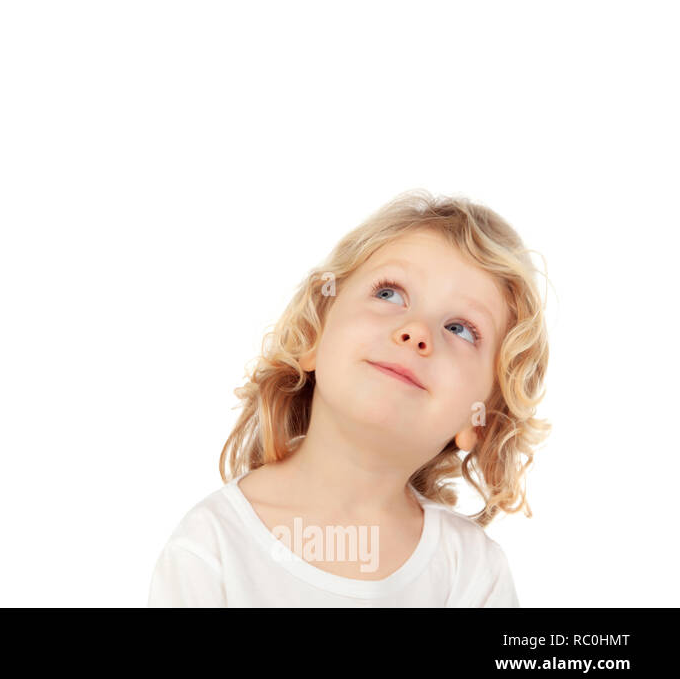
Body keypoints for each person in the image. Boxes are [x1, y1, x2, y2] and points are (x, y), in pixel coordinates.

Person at [148, 190, 550, 607]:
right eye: (389, 294)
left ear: (478, 420)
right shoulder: (211, 546)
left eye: (460, 328)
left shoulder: (470, 571)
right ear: (313, 337)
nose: (416, 331)